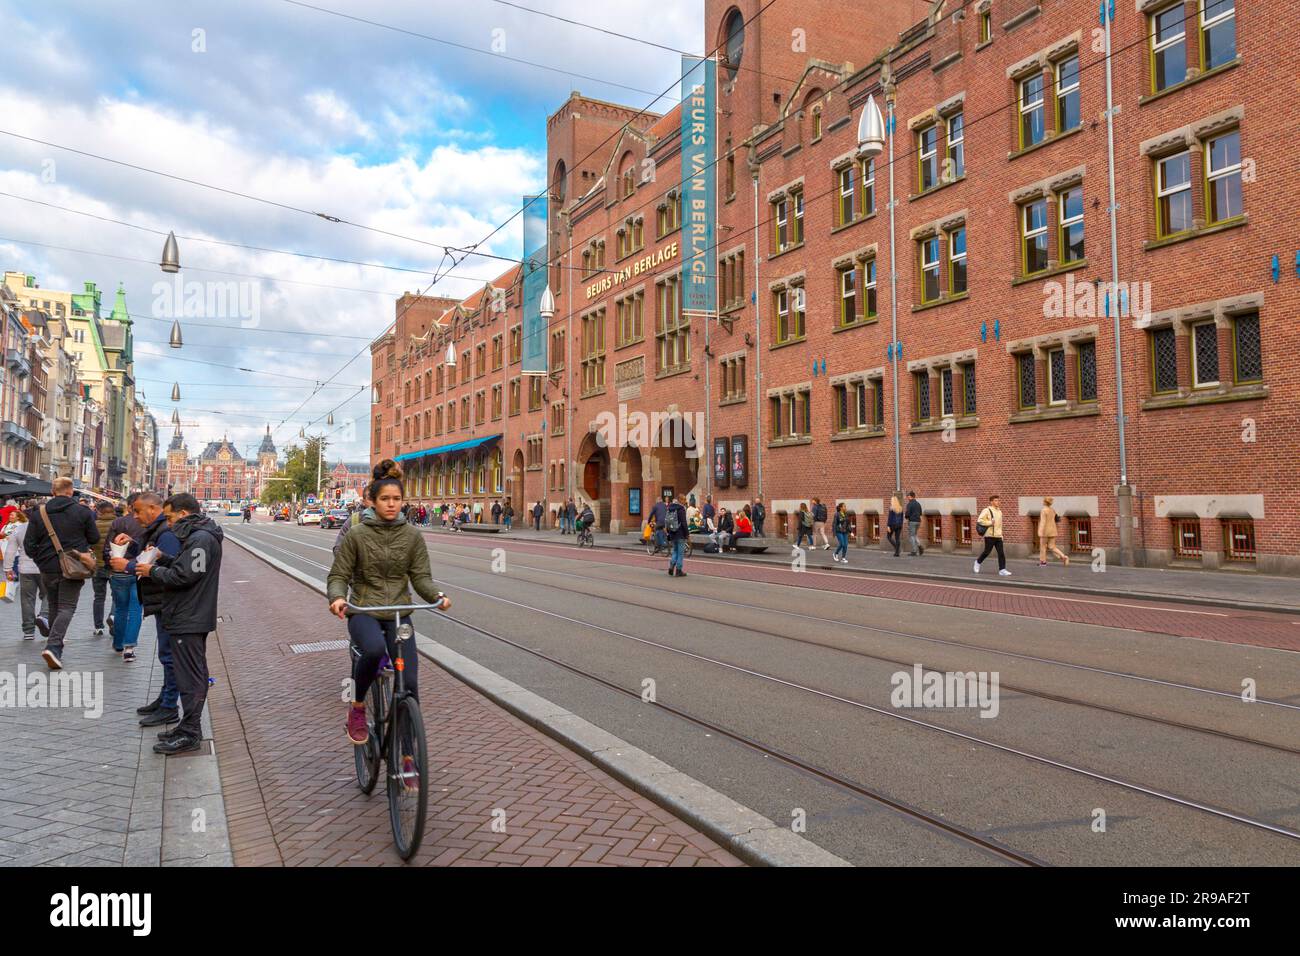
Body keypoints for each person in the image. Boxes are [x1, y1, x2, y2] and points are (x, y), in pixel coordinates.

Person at [328, 460, 451, 751]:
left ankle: (408, 756)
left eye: (397, 499)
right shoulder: (357, 534)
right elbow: (339, 575)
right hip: (363, 610)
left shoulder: (412, 536)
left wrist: (436, 595)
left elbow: (421, 578)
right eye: (385, 499)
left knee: (409, 683)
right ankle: (357, 706)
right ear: (373, 500)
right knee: (372, 651)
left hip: (399, 614)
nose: (392, 504)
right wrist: (337, 597)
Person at [134, 493, 224, 754]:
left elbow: (185, 576)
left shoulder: (200, 539)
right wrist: (162, 557)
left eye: (171, 517)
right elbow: (187, 568)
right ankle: (187, 727)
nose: (169, 523)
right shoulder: (199, 536)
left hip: (189, 616)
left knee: (191, 678)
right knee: (189, 676)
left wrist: (152, 571)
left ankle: (191, 732)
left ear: (183, 514)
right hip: (189, 614)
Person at [117, 493, 183, 731]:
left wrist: (128, 565)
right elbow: (154, 553)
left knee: (169, 656)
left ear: (153, 509)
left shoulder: (166, 533)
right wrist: (134, 544)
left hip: (166, 601)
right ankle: (164, 699)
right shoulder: (158, 530)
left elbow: (166, 564)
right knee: (166, 655)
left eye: (137, 511)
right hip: (160, 600)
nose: (134, 516)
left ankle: (169, 707)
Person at [23, 477, 99, 670]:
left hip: (47, 567)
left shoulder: (39, 512)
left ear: (52, 491)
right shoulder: (83, 512)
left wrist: (41, 560)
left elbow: (29, 545)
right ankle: (54, 646)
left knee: (55, 605)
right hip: (73, 565)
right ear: (71, 491)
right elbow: (94, 538)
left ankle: (56, 647)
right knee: (67, 607)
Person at [104, 494, 144, 661]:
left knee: (120, 609)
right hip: (138, 570)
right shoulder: (146, 524)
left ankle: (118, 644)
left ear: (128, 506)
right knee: (135, 610)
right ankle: (129, 648)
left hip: (119, 571)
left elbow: (107, 547)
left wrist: (110, 566)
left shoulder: (118, 522)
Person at [6, 507, 46, 640]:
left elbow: (10, 550)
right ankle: (44, 617)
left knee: (27, 600)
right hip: (45, 568)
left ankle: (28, 631)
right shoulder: (48, 527)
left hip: (25, 568)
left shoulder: (19, 529)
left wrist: (8, 569)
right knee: (49, 595)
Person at [90, 501, 116, 637]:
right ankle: (112, 616)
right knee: (116, 595)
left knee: (99, 597)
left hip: (98, 565)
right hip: (114, 566)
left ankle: (98, 626)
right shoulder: (119, 524)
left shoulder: (94, 525)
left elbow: (90, 544)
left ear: (99, 512)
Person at [974, 494, 1010, 576]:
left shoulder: (1000, 512)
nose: (998, 502)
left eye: (998, 500)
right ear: (991, 502)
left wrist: (1001, 535)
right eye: (996, 500)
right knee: (987, 552)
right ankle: (977, 562)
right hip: (989, 535)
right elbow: (980, 520)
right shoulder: (987, 510)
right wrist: (990, 523)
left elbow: (1000, 525)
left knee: (1001, 553)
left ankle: (1002, 570)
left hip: (998, 536)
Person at [1038, 496, 1070, 567]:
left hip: (1045, 532)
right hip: (1053, 530)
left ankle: (1043, 562)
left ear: (1044, 502)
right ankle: (1064, 556)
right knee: (1052, 546)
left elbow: (1043, 522)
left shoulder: (1043, 510)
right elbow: (1057, 520)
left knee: (1043, 547)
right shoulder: (1052, 510)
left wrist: (1040, 531)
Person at [665, 494, 689, 577]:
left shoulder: (670, 508)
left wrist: (668, 532)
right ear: (680, 500)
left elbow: (667, 521)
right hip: (680, 533)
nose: (685, 501)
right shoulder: (681, 509)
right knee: (680, 553)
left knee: (675, 550)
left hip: (672, 532)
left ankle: (671, 567)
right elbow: (683, 522)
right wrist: (687, 534)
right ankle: (678, 570)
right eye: (684, 499)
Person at [905, 491, 925, 557]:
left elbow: (907, 513)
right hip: (918, 521)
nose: (907, 497)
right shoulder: (918, 503)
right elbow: (920, 513)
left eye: (908, 496)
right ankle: (919, 546)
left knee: (912, 536)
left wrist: (907, 517)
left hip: (912, 521)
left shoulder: (910, 504)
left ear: (911, 496)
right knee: (915, 535)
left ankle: (914, 551)